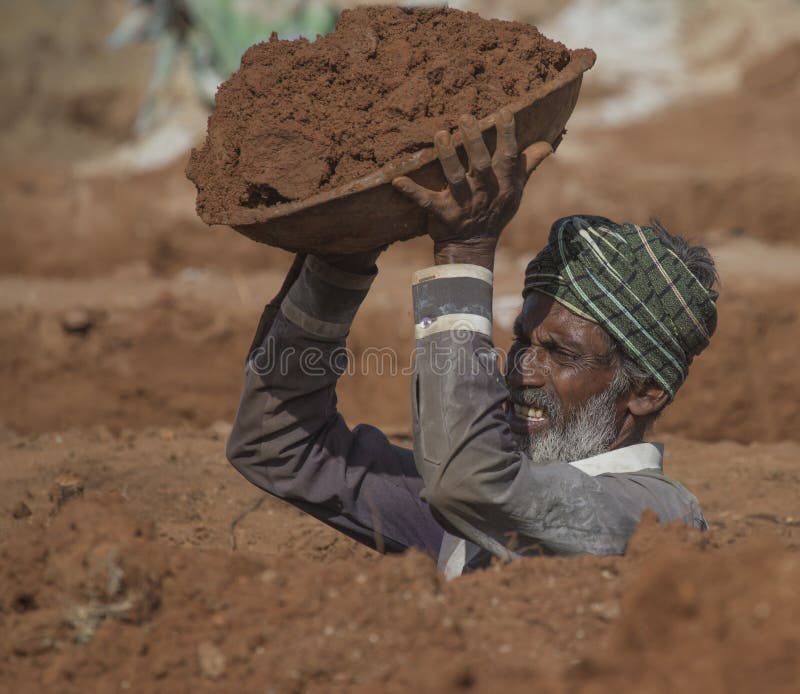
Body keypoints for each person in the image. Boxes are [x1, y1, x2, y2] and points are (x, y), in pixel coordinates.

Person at [226, 108, 717, 578]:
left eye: (563, 354)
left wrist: (464, 253)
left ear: (647, 391)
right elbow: (278, 446)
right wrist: (342, 261)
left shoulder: (654, 517)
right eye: (522, 341)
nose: (522, 369)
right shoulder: (477, 509)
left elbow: (473, 485)